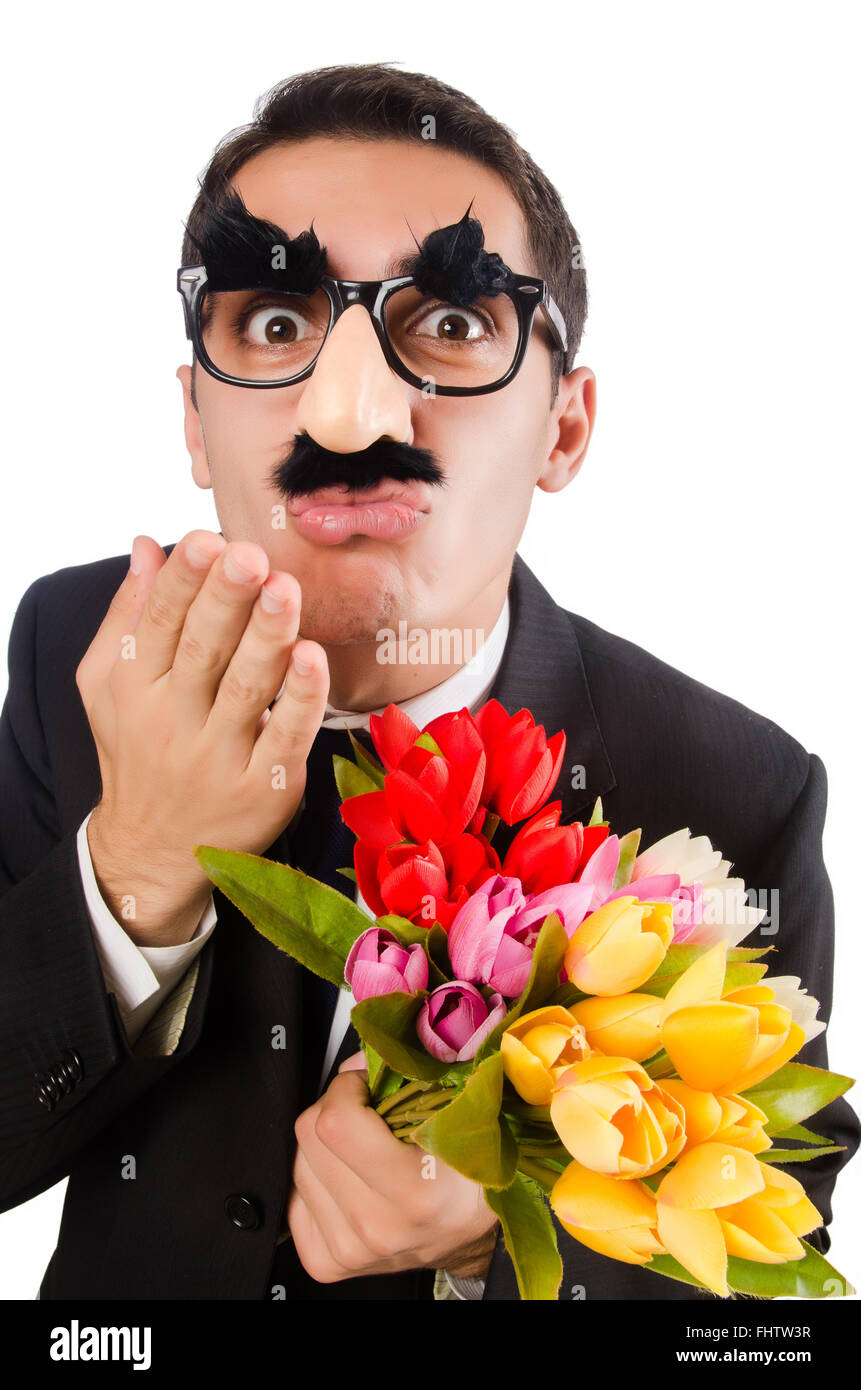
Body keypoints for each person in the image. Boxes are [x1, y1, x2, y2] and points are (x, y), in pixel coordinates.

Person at [0, 62, 857, 1301]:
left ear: (563, 427)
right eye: (279, 323)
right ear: (195, 419)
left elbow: (769, 1295)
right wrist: (130, 875)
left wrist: (503, 1238)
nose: (350, 418)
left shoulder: (733, 791)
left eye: (451, 324)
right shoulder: (80, 650)